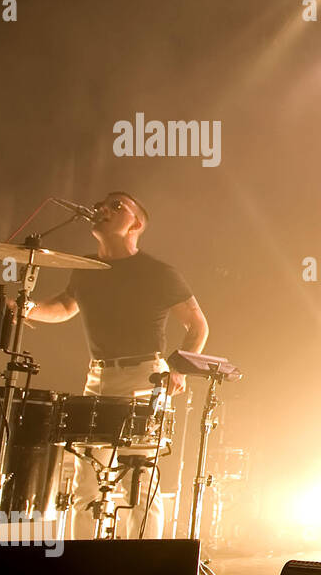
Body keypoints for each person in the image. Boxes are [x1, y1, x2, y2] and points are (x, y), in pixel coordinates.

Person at [19, 192, 209, 539]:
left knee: (140, 482)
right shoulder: (86, 269)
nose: (102, 208)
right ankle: (84, 561)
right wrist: (26, 308)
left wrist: (178, 369)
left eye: (116, 206)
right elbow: (64, 307)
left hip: (144, 379)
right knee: (86, 483)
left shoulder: (158, 273)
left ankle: (143, 562)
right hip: (97, 377)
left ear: (137, 224)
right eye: (101, 204)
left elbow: (197, 325)